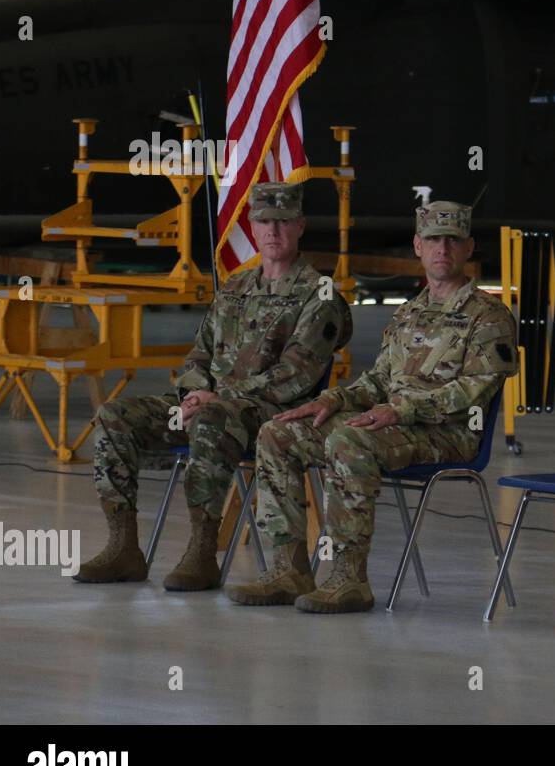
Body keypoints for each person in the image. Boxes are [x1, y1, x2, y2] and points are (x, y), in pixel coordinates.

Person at [228, 200, 518, 614]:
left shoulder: (488, 316)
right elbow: (379, 380)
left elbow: (475, 391)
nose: (443, 250)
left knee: (350, 441)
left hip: (448, 432)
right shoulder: (409, 313)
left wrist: (403, 411)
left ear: (468, 247)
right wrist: (332, 399)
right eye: (434, 240)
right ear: (417, 246)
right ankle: (286, 569)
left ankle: (349, 579)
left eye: (453, 241)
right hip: (393, 424)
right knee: (279, 433)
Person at [75, 182, 352, 590]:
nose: (273, 230)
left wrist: (215, 399)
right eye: (264, 222)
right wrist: (189, 397)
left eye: (283, 221)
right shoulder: (235, 287)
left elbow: (295, 376)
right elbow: (199, 354)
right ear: (252, 228)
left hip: (272, 417)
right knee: (116, 416)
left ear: (300, 226)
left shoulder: (318, 293)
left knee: (211, 418)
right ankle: (123, 548)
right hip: (206, 405)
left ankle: (202, 553)